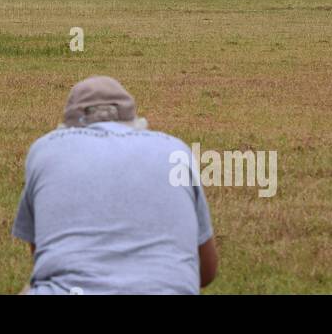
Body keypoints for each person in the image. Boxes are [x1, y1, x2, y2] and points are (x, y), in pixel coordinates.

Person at [12, 76, 218, 294]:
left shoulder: (46, 150)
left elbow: (41, 257)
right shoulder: (176, 151)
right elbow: (206, 271)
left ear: (67, 125)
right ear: (134, 121)